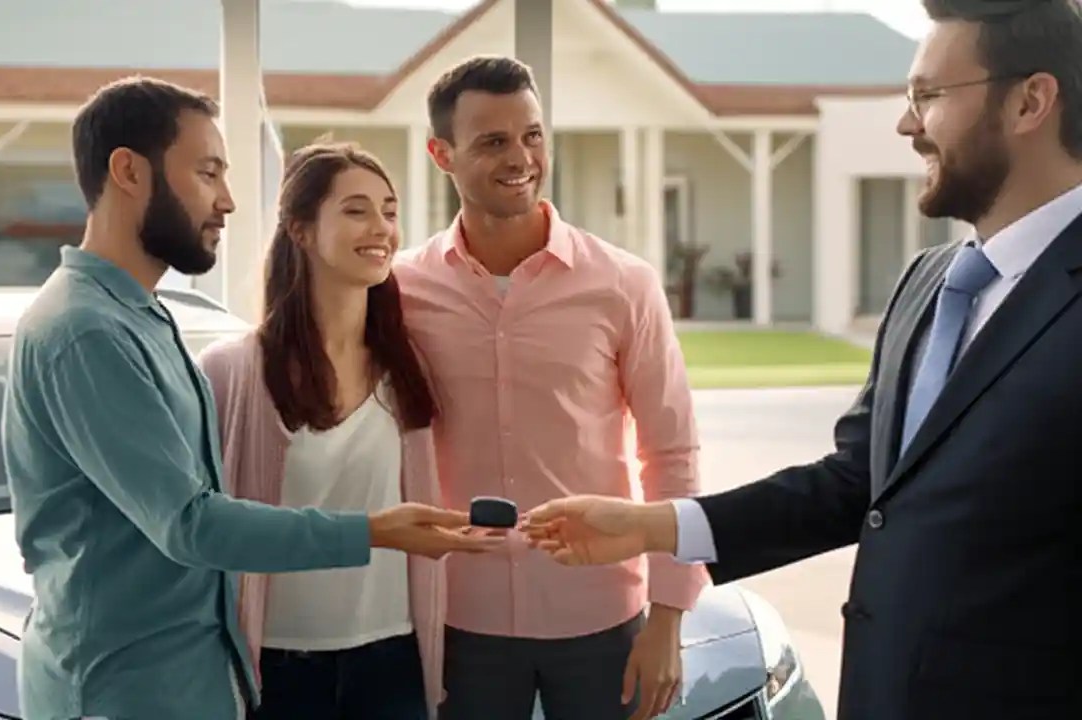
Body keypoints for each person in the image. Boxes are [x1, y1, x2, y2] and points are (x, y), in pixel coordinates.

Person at [521, 2, 1082, 719]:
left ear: (1030, 100)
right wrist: (652, 526)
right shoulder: (927, 285)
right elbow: (859, 486)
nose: (908, 125)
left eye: (928, 96)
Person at [1, 77, 498, 720]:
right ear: (127, 170)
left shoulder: (141, 318)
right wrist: (375, 531)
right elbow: (192, 523)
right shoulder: (84, 331)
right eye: (207, 173)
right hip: (120, 691)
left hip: (191, 683)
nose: (229, 201)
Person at [392, 56, 710, 720]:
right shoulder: (399, 290)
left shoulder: (624, 285)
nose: (521, 156)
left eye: (532, 134)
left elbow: (672, 453)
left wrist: (669, 616)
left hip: (600, 616)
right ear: (441, 154)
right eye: (494, 141)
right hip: (458, 620)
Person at [197, 141, 460, 719]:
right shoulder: (233, 371)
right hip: (277, 669)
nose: (382, 228)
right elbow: (199, 530)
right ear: (301, 229)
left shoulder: (409, 367)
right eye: (356, 210)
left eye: (389, 211)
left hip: (394, 660)